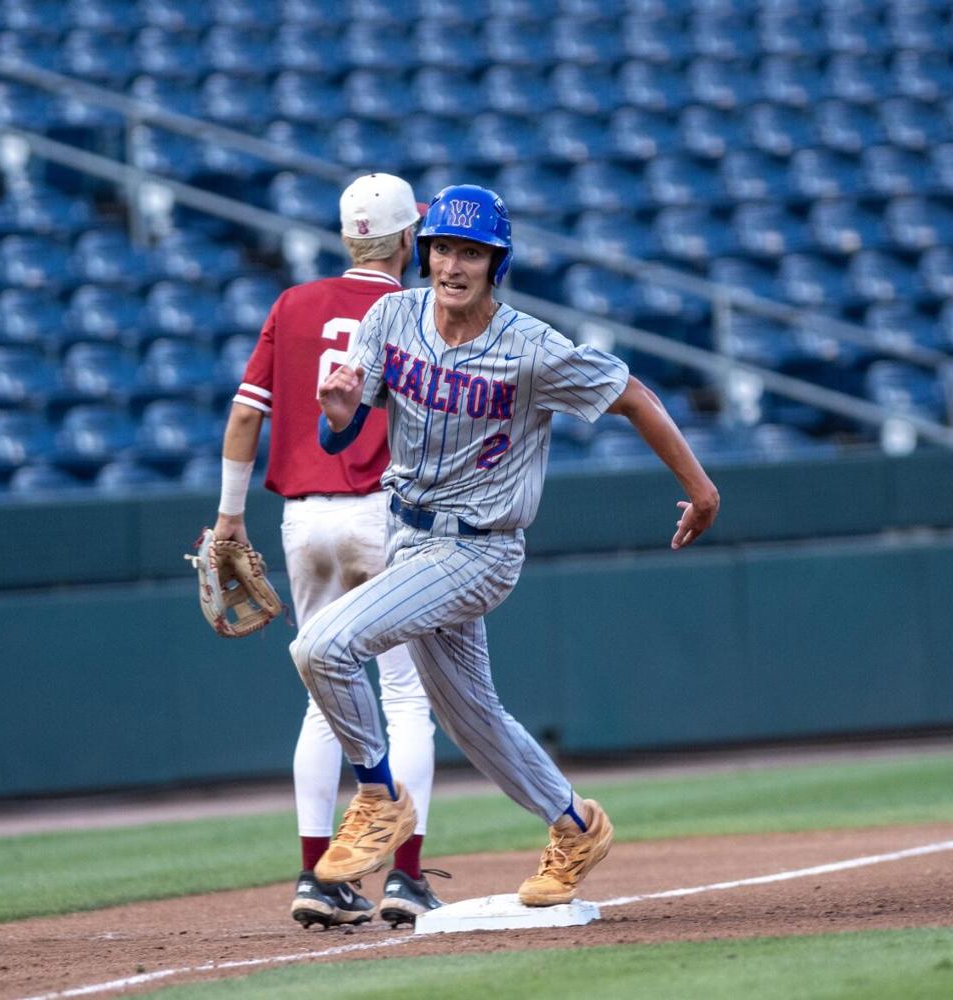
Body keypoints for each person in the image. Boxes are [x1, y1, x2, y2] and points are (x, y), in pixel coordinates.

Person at [295, 184, 720, 907]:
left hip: (480, 550)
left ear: (497, 263)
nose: (453, 265)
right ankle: (574, 824)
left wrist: (702, 490)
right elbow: (343, 427)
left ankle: (377, 795)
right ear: (422, 252)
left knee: (320, 647)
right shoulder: (391, 315)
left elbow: (633, 396)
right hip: (407, 537)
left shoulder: (530, 346)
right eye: (442, 249)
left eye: (472, 253)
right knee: (473, 720)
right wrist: (338, 419)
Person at [213, 173, 444, 928]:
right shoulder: (416, 308)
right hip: (385, 512)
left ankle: (320, 877)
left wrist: (227, 523)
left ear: (349, 237)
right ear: (408, 239)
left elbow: (246, 419)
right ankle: (404, 879)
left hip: (303, 519)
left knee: (324, 700)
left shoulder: (294, 303)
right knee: (407, 696)